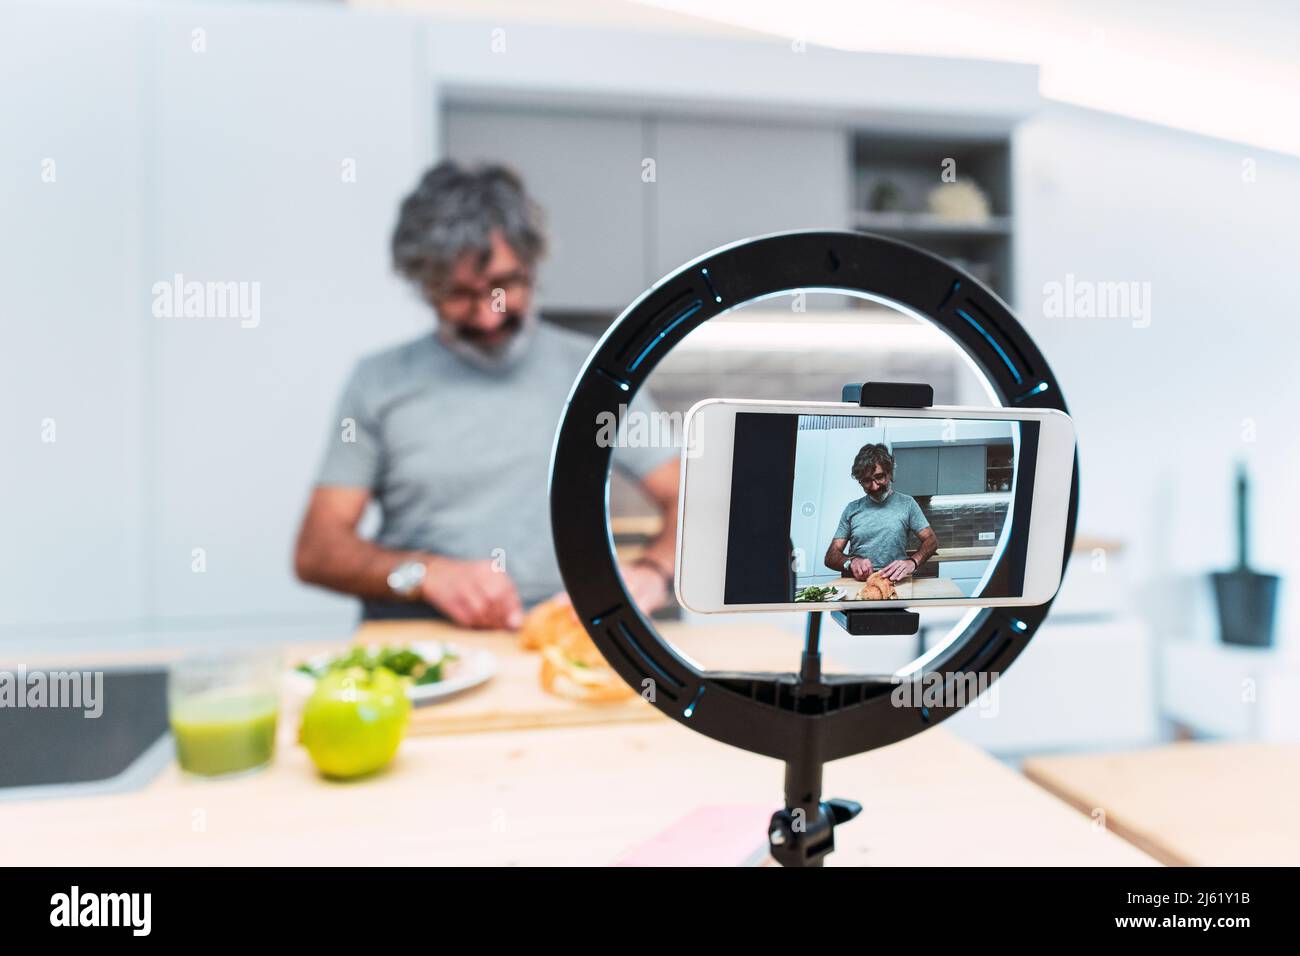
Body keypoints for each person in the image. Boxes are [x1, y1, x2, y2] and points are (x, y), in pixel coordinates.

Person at [293, 162, 679, 627]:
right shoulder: (378, 381)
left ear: (532, 266)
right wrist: (422, 573)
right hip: (419, 642)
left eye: (503, 286)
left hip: (562, 633)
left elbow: (694, 502)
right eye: (458, 294)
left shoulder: (597, 374)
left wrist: (653, 571)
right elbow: (317, 551)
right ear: (424, 289)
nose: (487, 316)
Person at [823, 443, 938, 583]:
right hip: (858, 585)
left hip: (895, 583)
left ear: (889, 473)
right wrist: (851, 562)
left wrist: (912, 562)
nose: (874, 486)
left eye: (879, 477)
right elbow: (831, 556)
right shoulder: (851, 509)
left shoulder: (907, 504)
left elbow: (931, 541)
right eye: (866, 481)